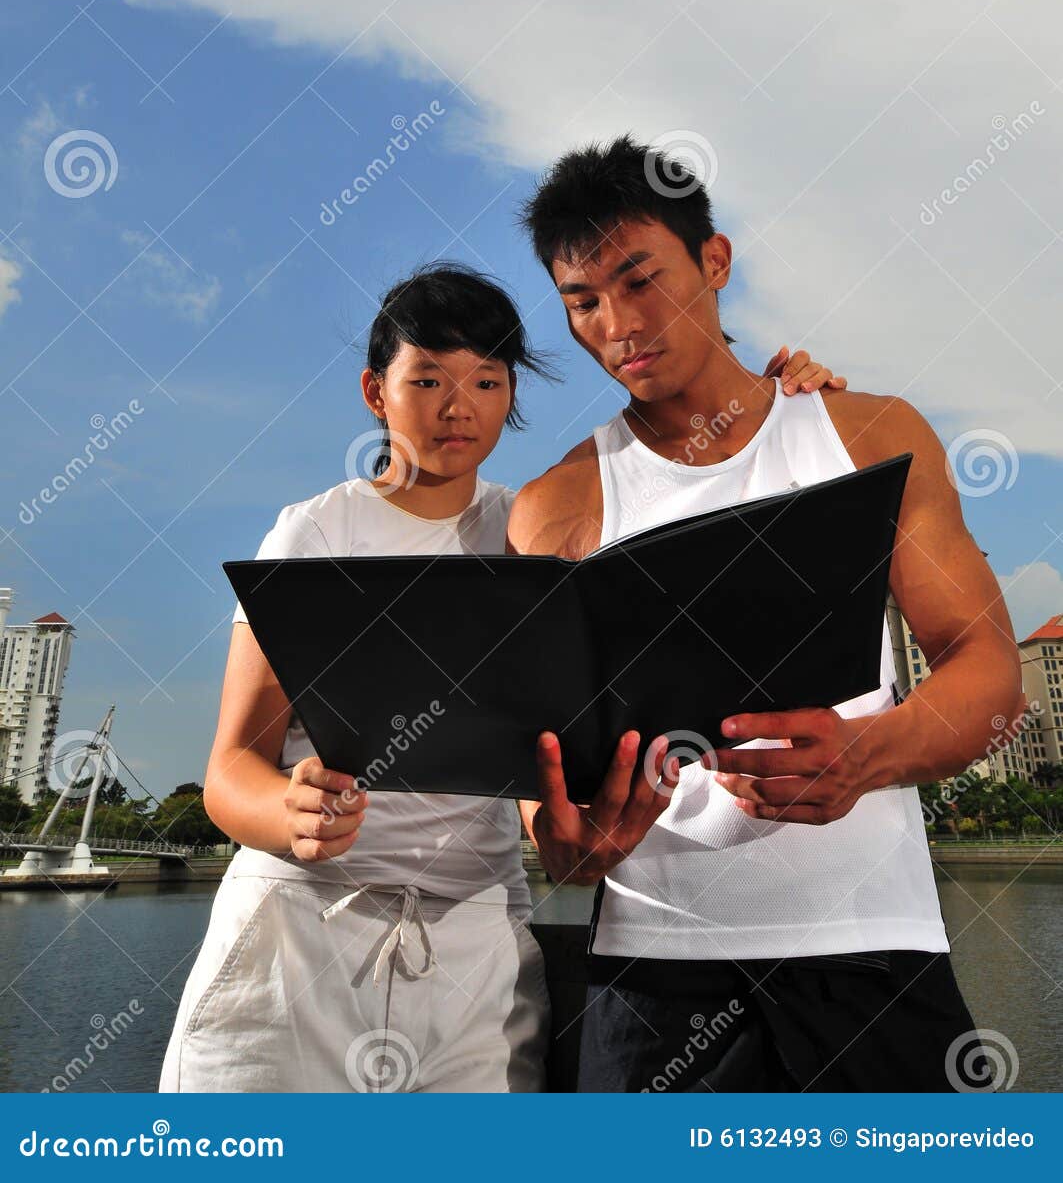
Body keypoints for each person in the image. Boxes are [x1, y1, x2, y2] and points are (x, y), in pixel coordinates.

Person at [160, 259, 840, 1094]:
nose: (459, 407)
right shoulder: (314, 533)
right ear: (376, 392)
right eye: (428, 380)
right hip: (294, 933)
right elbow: (230, 771)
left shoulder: (533, 531)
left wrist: (776, 410)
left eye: (487, 381)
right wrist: (285, 812)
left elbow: (541, 770)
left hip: (472, 950)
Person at [508, 133, 1024, 1094]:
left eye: (639, 279)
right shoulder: (552, 509)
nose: (617, 322)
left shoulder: (867, 434)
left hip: (873, 951)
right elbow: (546, 773)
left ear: (714, 261)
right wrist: (564, 842)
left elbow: (987, 673)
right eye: (583, 301)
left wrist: (867, 754)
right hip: (651, 971)